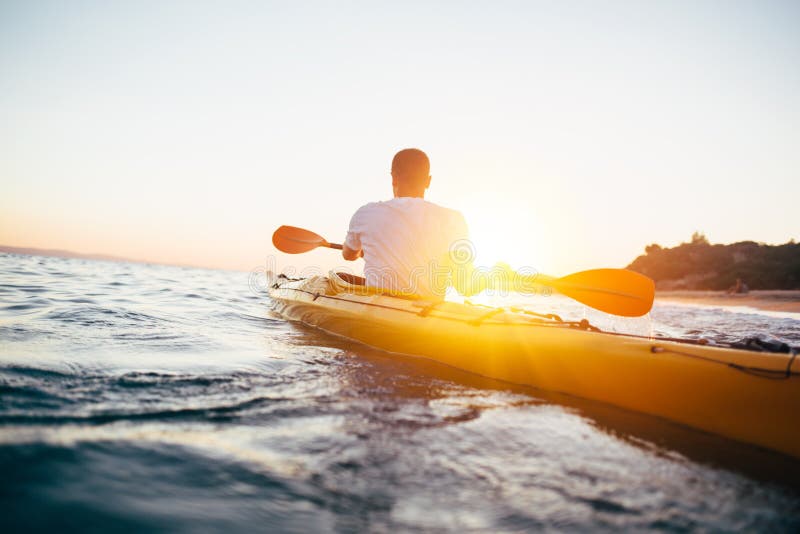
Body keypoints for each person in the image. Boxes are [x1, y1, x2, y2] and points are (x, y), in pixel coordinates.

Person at [342, 148, 477, 298]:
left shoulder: (365, 214)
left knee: (342, 278)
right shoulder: (453, 219)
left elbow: (348, 255)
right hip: (425, 311)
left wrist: (361, 251)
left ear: (394, 178)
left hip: (377, 305)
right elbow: (465, 287)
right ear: (428, 181)